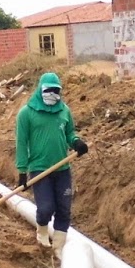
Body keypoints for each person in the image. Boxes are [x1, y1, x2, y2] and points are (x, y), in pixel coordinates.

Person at [14, 71, 88, 251]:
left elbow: (69, 133)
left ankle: (58, 248)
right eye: (48, 90)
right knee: (46, 208)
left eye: (56, 90)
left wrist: (76, 142)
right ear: (40, 89)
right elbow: (21, 142)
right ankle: (42, 233)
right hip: (40, 169)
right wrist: (22, 170)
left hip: (62, 168)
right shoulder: (26, 113)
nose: (52, 94)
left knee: (64, 209)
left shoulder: (64, 111)